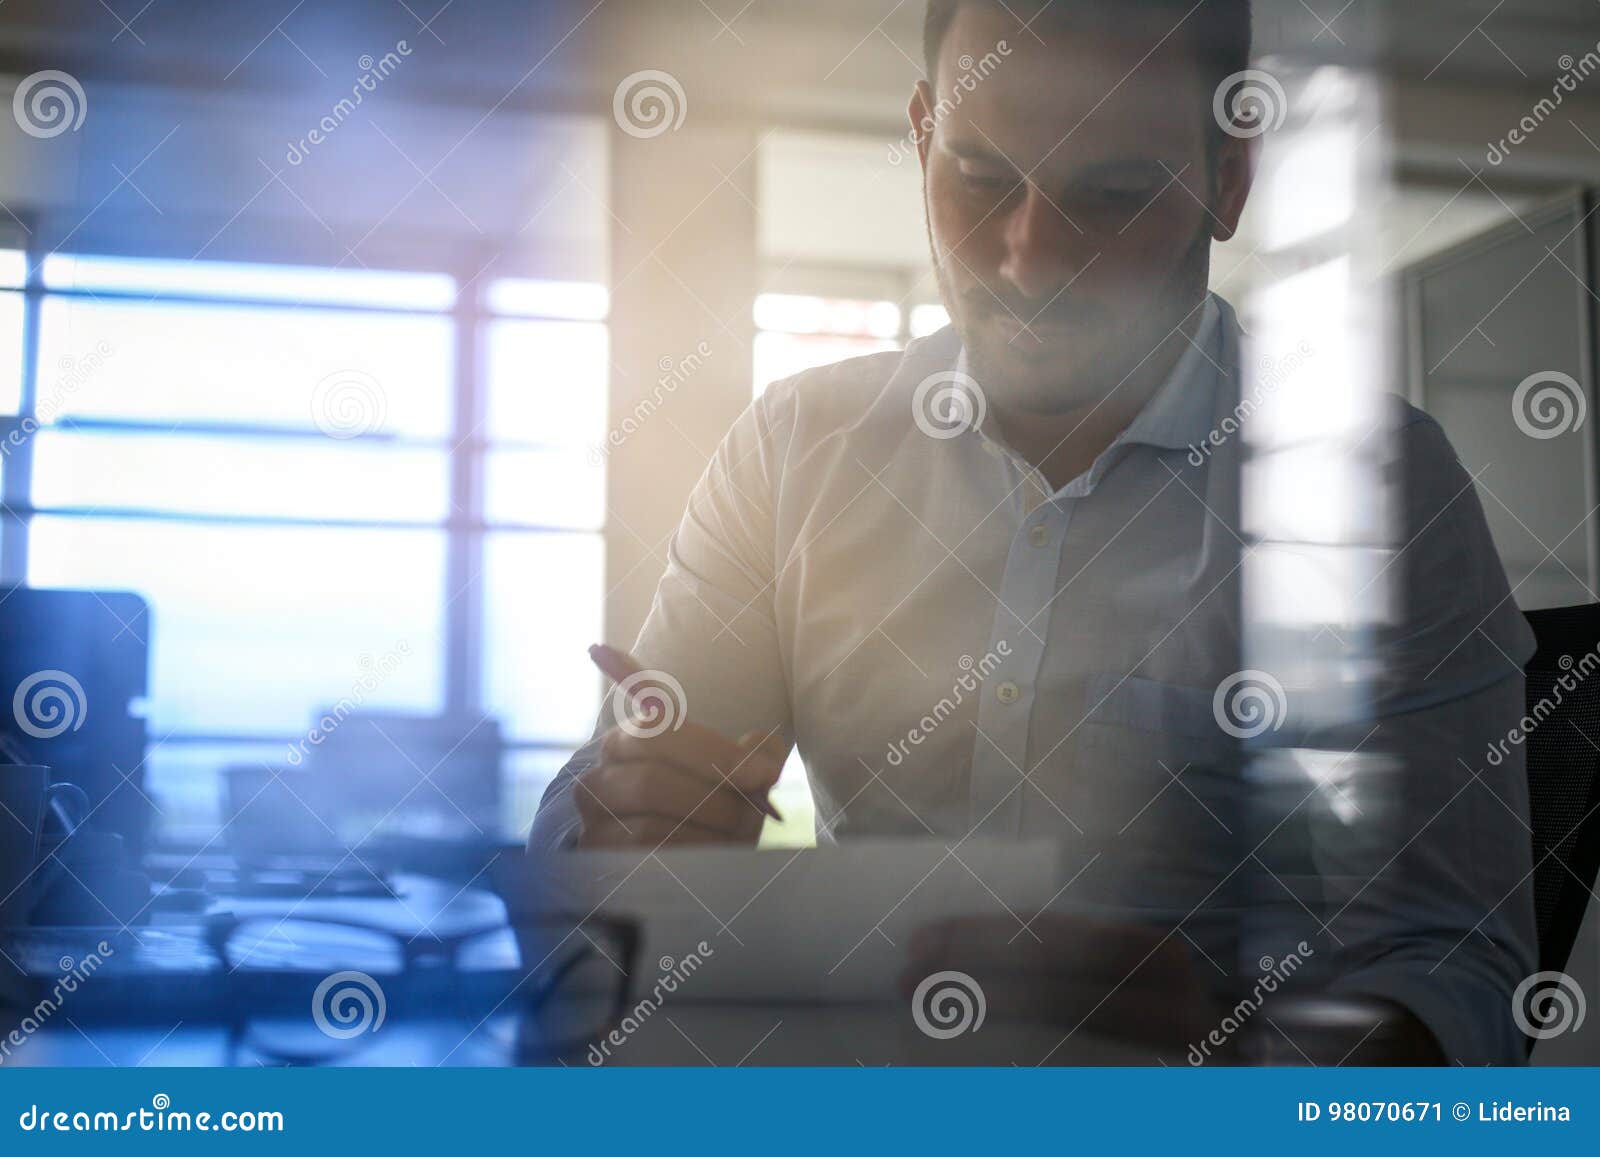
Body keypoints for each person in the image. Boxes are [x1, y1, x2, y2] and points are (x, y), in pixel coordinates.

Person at [531, 0, 1537, 1065]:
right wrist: (620, 831)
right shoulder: (795, 450)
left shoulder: (1381, 489)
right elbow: (615, 824)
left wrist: (1225, 1033)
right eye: (979, 178)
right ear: (921, 139)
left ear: (1229, 174)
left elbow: (1462, 972)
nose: (1028, 261)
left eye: (1111, 195)